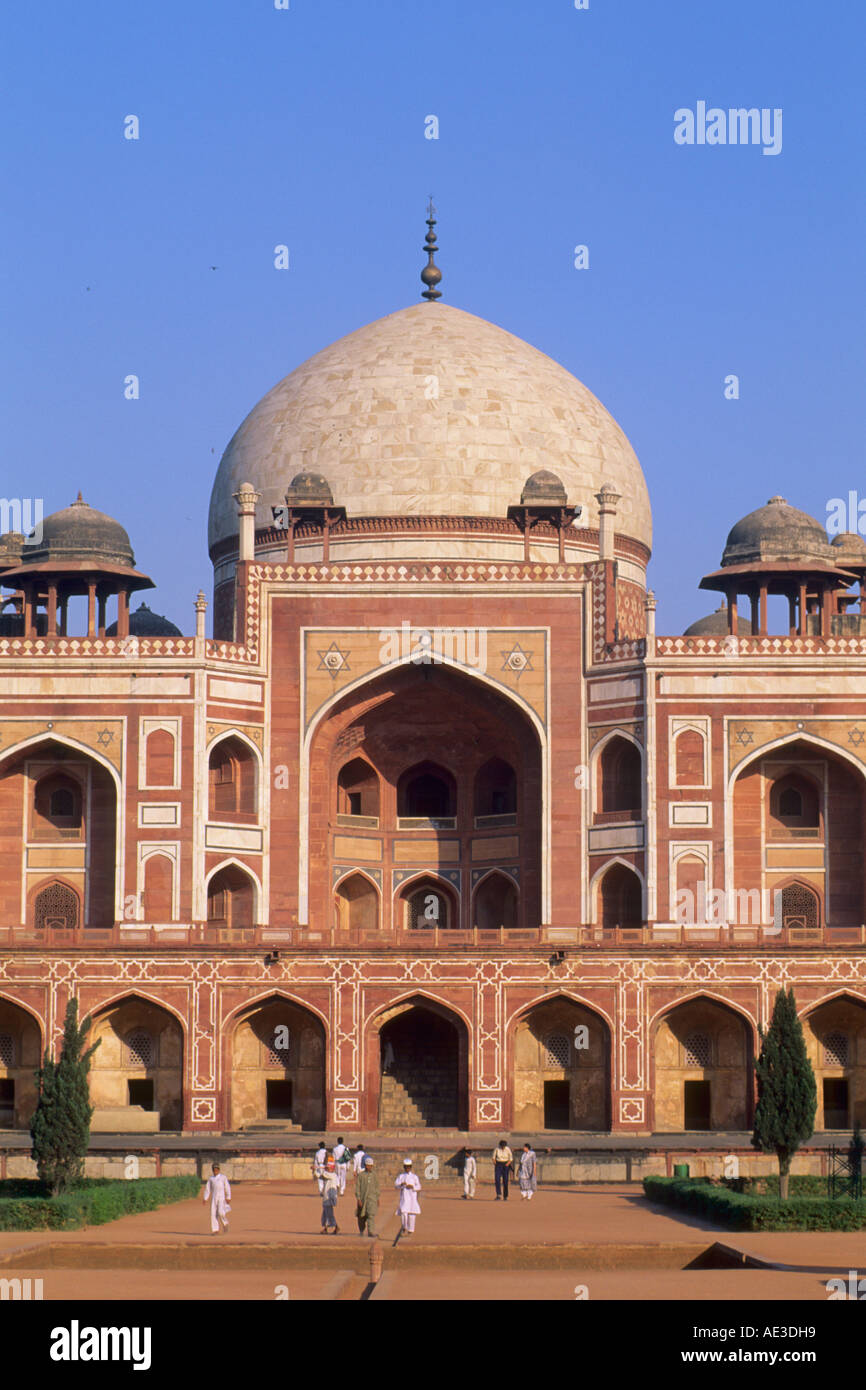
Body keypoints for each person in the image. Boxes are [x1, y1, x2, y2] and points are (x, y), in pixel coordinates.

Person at [395, 1157, 421, 1235]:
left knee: (412, 1215)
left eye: (409, 1166)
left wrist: (413, 1187)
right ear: (404, 1167)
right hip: (404, 1198)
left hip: (412, 1198)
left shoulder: (414, 1177)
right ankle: (404, 1227)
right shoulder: (401, 1176)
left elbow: (419, 1186)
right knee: (404, 1213)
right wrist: (401, 1185)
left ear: (411, 1167)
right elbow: (396, 1186)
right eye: (406, 1167)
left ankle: (410, 1230)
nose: (407, 1168)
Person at [202, 1162, 231, 1235]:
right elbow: (208, 1189)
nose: (215, 1171)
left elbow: (227, 1187)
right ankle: (215, 1230)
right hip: (214, 1197)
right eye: (214, 1170)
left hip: (221, 1198)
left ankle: (225, 1223)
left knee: (221, 1212)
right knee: (213, 1213)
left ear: (219, 1170)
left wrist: (228, 1197)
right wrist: (205, 1198)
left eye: (217, 1169)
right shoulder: (211, 1179)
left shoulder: (223, 1177)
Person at [355, 1156, 379, 1237]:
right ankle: (361, 1230)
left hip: (372, 1199)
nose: (368, 1167)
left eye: (370, 1165)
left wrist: (377, 1198)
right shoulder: (361, 1175)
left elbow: (377, 1187)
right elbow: (357, 1187)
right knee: (361, 1216)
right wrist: (358, 1199)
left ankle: (370, 1231)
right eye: (367, 1165)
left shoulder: (374, 1175)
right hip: (362, 1199)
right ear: (365, 1165)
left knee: (371, 1215)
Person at [321, 1156, 340, 1235]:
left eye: (328, 1168)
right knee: (325, 1214)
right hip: (326, 1197)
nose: (327, 1169)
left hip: (329, 1198)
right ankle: (325, 1228)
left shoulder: (332, 1175)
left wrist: (319, 1169)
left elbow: (323, 1175)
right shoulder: (331, 1175)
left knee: (329, 1214)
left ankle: (336, 1226)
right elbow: (321, 1176)